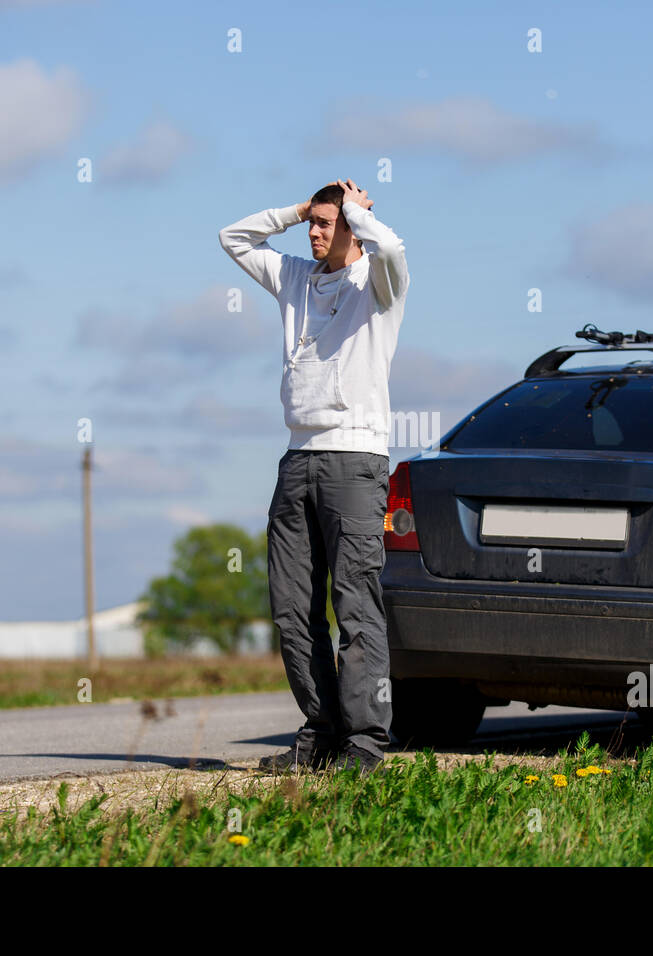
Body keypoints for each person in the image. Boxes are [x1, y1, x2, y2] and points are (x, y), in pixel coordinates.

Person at [218, 178, 409, 774]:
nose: (316, 231)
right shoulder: (296, 278)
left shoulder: (377, 284)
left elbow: (395, 252)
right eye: (313, 222)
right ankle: (320, 731)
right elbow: (233, 237)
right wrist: (297, 208)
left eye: (329, 223)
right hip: (296, 457)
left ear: (354, 225)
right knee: (293, 607)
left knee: (354, 603)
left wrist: (355, 210)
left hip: (355, 459)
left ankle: (365, 742)